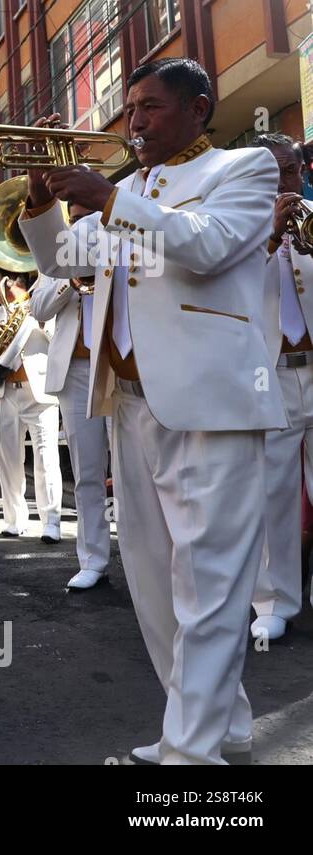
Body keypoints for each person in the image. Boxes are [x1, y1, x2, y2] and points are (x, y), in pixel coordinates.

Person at [18, 57, 281, 764]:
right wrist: (42, 203)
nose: (133, 121)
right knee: (154, 579)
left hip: (209, 401)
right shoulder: (129, 188)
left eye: (151, 107)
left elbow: (209, 247)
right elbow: (60, 263)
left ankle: (190, 758)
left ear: (199, 109)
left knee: (211, 582)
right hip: (127, 400)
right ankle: (214, 724)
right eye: (129, 108)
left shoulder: (244, 168)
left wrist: (111, 199)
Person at [28, 205, 114, 590]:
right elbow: (38, 307)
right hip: (77, 372)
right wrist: (71, 282)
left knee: (134, 472)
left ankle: (142, 556)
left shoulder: (119, 236)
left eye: (87, 214)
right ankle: (92, 559)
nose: (80, 222)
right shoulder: (58, 252)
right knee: (87, 472)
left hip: (120, 364)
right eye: (74, 216)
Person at [250, 132, 312, 642]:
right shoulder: (240, 226)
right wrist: (270, 235)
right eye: (270, 172)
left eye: (289, 170)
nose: (282, 181)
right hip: (269, 373)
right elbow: (233, 288)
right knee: (273, 492)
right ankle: (273, 600)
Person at [0, 269, 64, 542]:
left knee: (46, 459)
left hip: (39, 392)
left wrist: (37, 319)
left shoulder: (43, 307)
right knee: (8, 461)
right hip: (5, 392)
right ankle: (15, 519)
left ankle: (52, 522)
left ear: (13, 283)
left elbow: (57, 338)